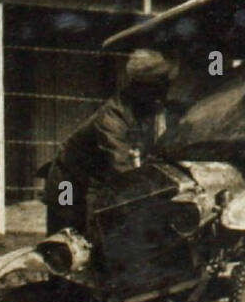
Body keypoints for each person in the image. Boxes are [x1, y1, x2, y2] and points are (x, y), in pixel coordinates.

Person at [45, 48, 179, 235]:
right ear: (143, 86)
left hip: (98, 181)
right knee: (70, 241)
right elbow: (122, 168)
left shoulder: (150, 110)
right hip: (68, 183)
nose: (166, 90)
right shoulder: (112, 117)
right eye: (161, 84)